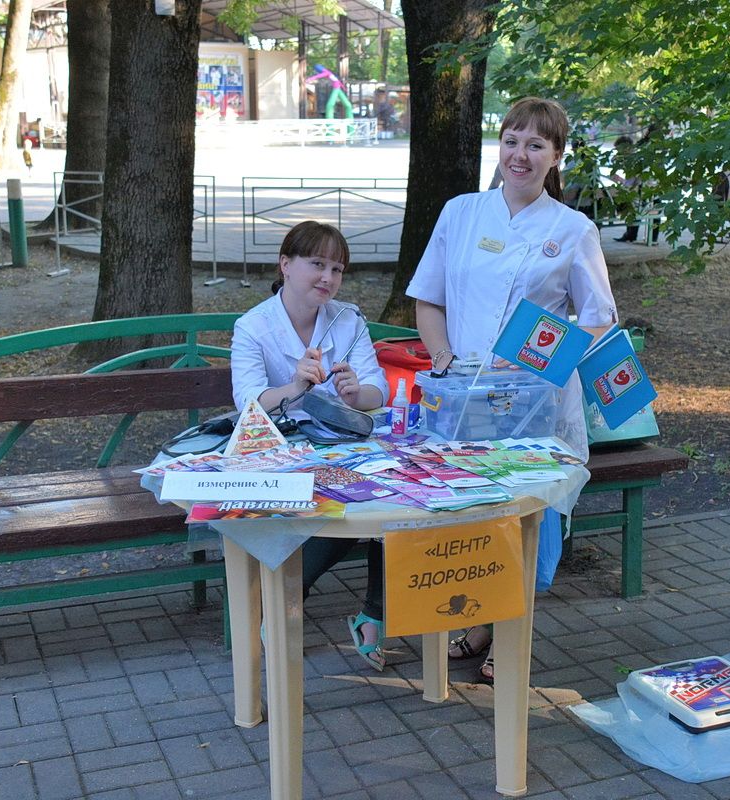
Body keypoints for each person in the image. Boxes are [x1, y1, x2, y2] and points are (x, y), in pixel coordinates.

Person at [406, 97, 618, 682]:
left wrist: (535, 359)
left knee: (521, 515)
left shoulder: (573, 229)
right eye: (511, 140)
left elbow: (598, 316)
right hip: (464, 396)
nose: (519, 155)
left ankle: (509, 633)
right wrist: (446, 363)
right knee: (469, 513)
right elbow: (429, 299)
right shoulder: (461, 212)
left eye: (536, 144)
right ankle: (476, 618)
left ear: (556, 156)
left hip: (532, 399)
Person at [230, 221, 391, 671]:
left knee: (389, 496)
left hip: (341, 443)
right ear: (285, 264)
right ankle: (286, 595)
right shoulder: (254, 326)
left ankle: (373, 614)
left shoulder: (347, 319)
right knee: (350, 500)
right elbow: (248, 404)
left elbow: (377, 390)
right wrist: (295, 385)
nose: (328, 278)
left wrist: (357, 393)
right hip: (279, 449)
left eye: (337, 268)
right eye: (316, 264)